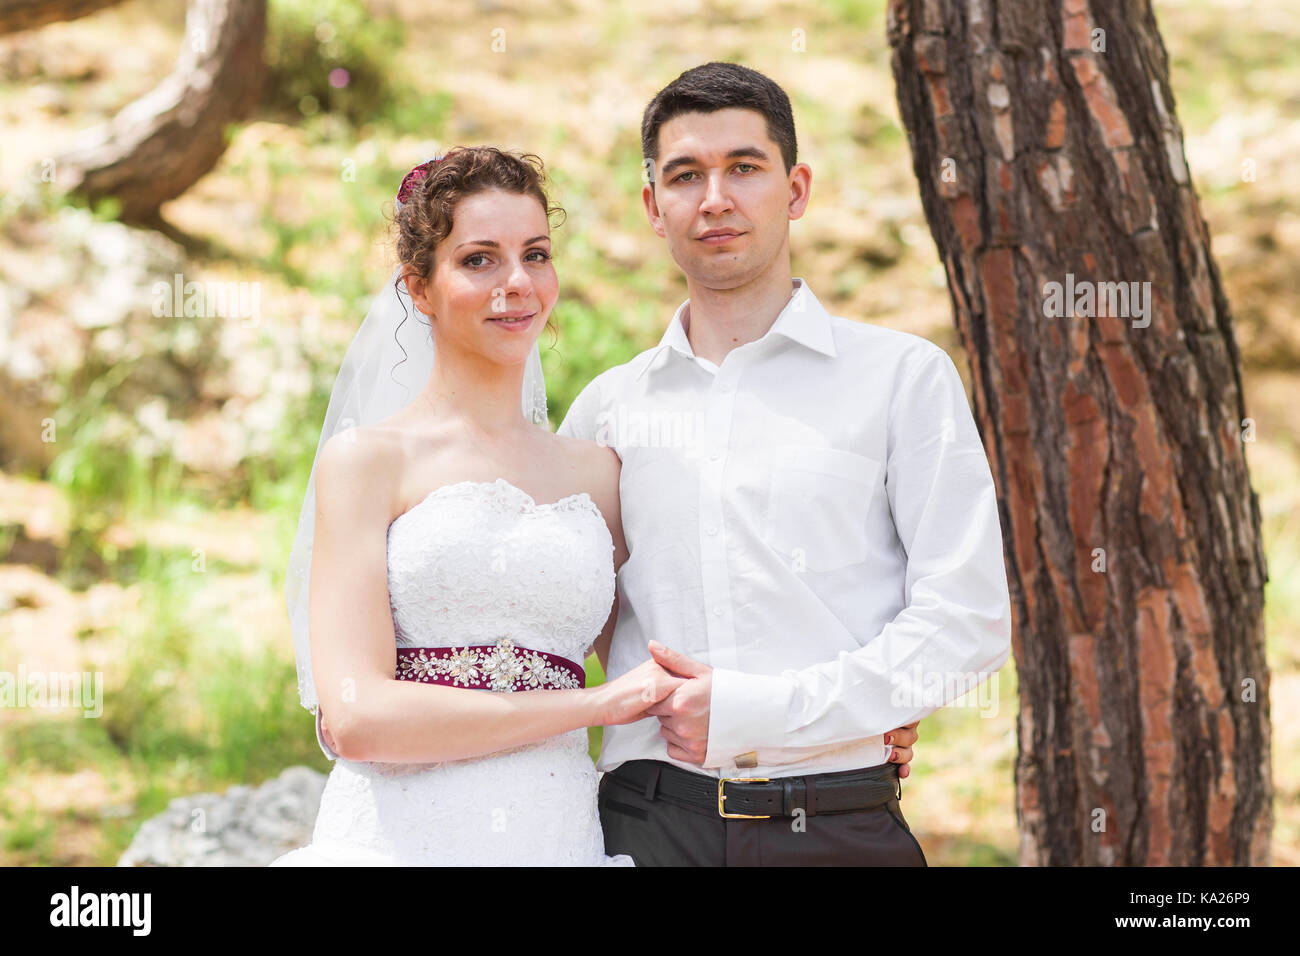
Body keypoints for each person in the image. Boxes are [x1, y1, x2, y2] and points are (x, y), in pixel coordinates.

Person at [557, 62, 1013, 866]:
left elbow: (966, 623)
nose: (715, 199)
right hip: (644, 826)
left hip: (837, 824)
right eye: (685, 176)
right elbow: (560, 627)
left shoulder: (901, 378)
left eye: (744, 168)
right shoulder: (607, 409)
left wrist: (779, 711)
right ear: (653, 207)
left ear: (796, 189)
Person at [272, 146, 689, 865]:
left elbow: (673, 649)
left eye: (535, 253)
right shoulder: (368, 462)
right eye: (479, 260)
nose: (517, 283)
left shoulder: (596, 475)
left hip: (555, 836)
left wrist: (843, 736)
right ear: (419, 287)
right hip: (401, 838)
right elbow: (357, 715)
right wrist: (594, 706)